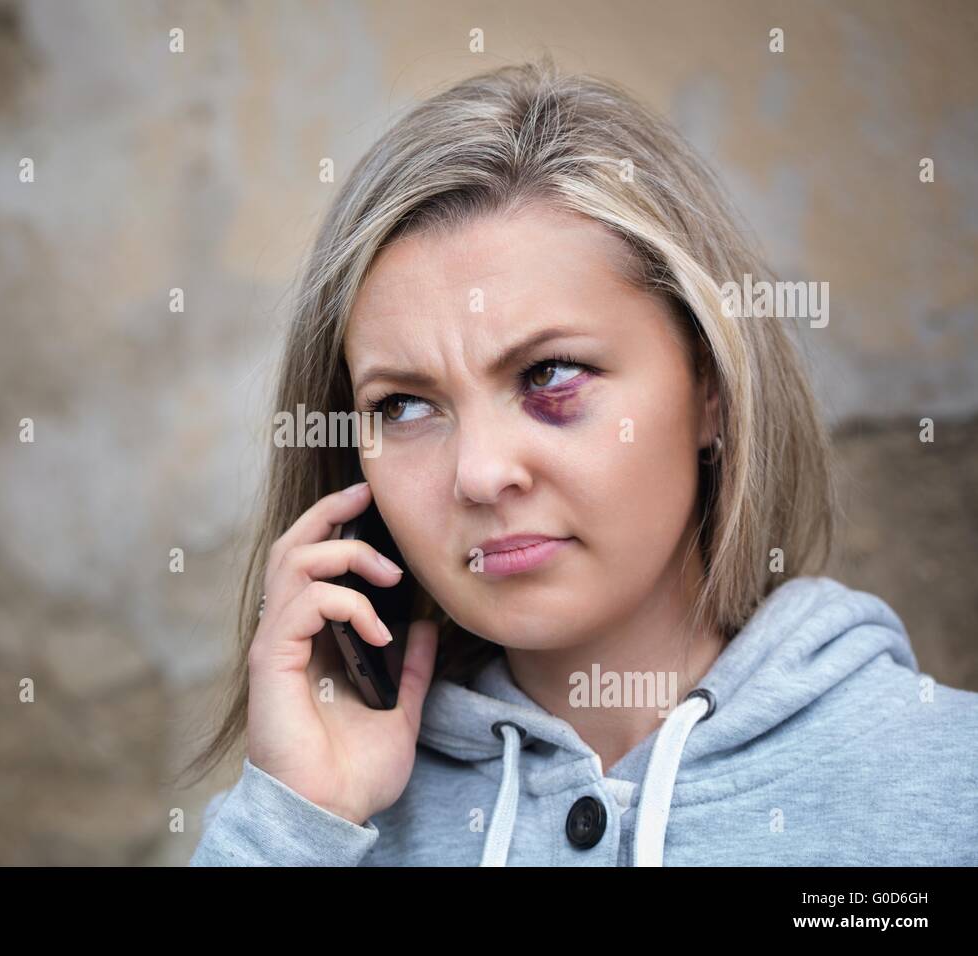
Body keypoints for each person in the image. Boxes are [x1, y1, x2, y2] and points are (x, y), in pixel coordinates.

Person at [181, 55, 978, 866]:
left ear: (711, 387)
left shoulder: (948, 791)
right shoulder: (317, 823)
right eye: (405, 406)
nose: (482, 474)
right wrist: (296, 826)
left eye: (550, 375)